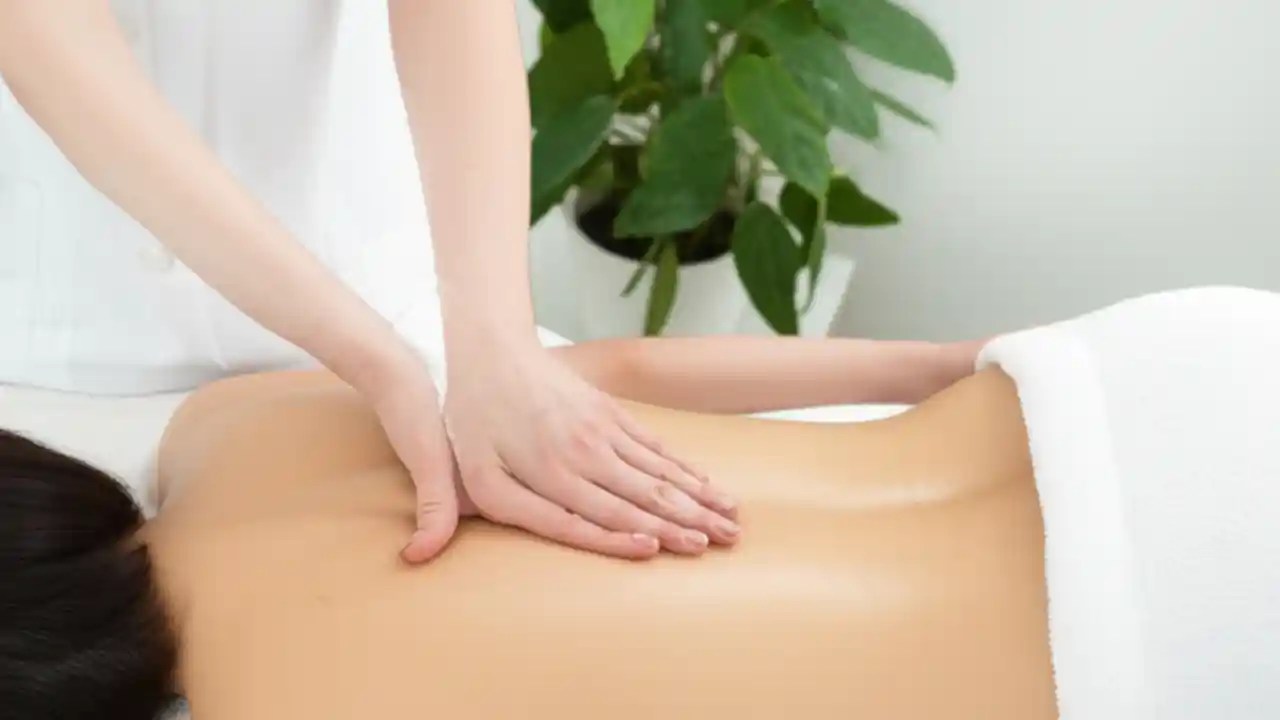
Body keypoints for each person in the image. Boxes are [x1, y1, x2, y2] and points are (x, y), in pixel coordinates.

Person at [0, 0, 732, 561]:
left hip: (367, 274)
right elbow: (43, 33)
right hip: (60, 332)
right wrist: (381, 364)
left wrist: (497, 348)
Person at [2, 332, 1034, 719]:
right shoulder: (236, 418)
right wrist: (951, 364)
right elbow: (612, 368)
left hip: (1105, 660)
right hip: (1062, 407)